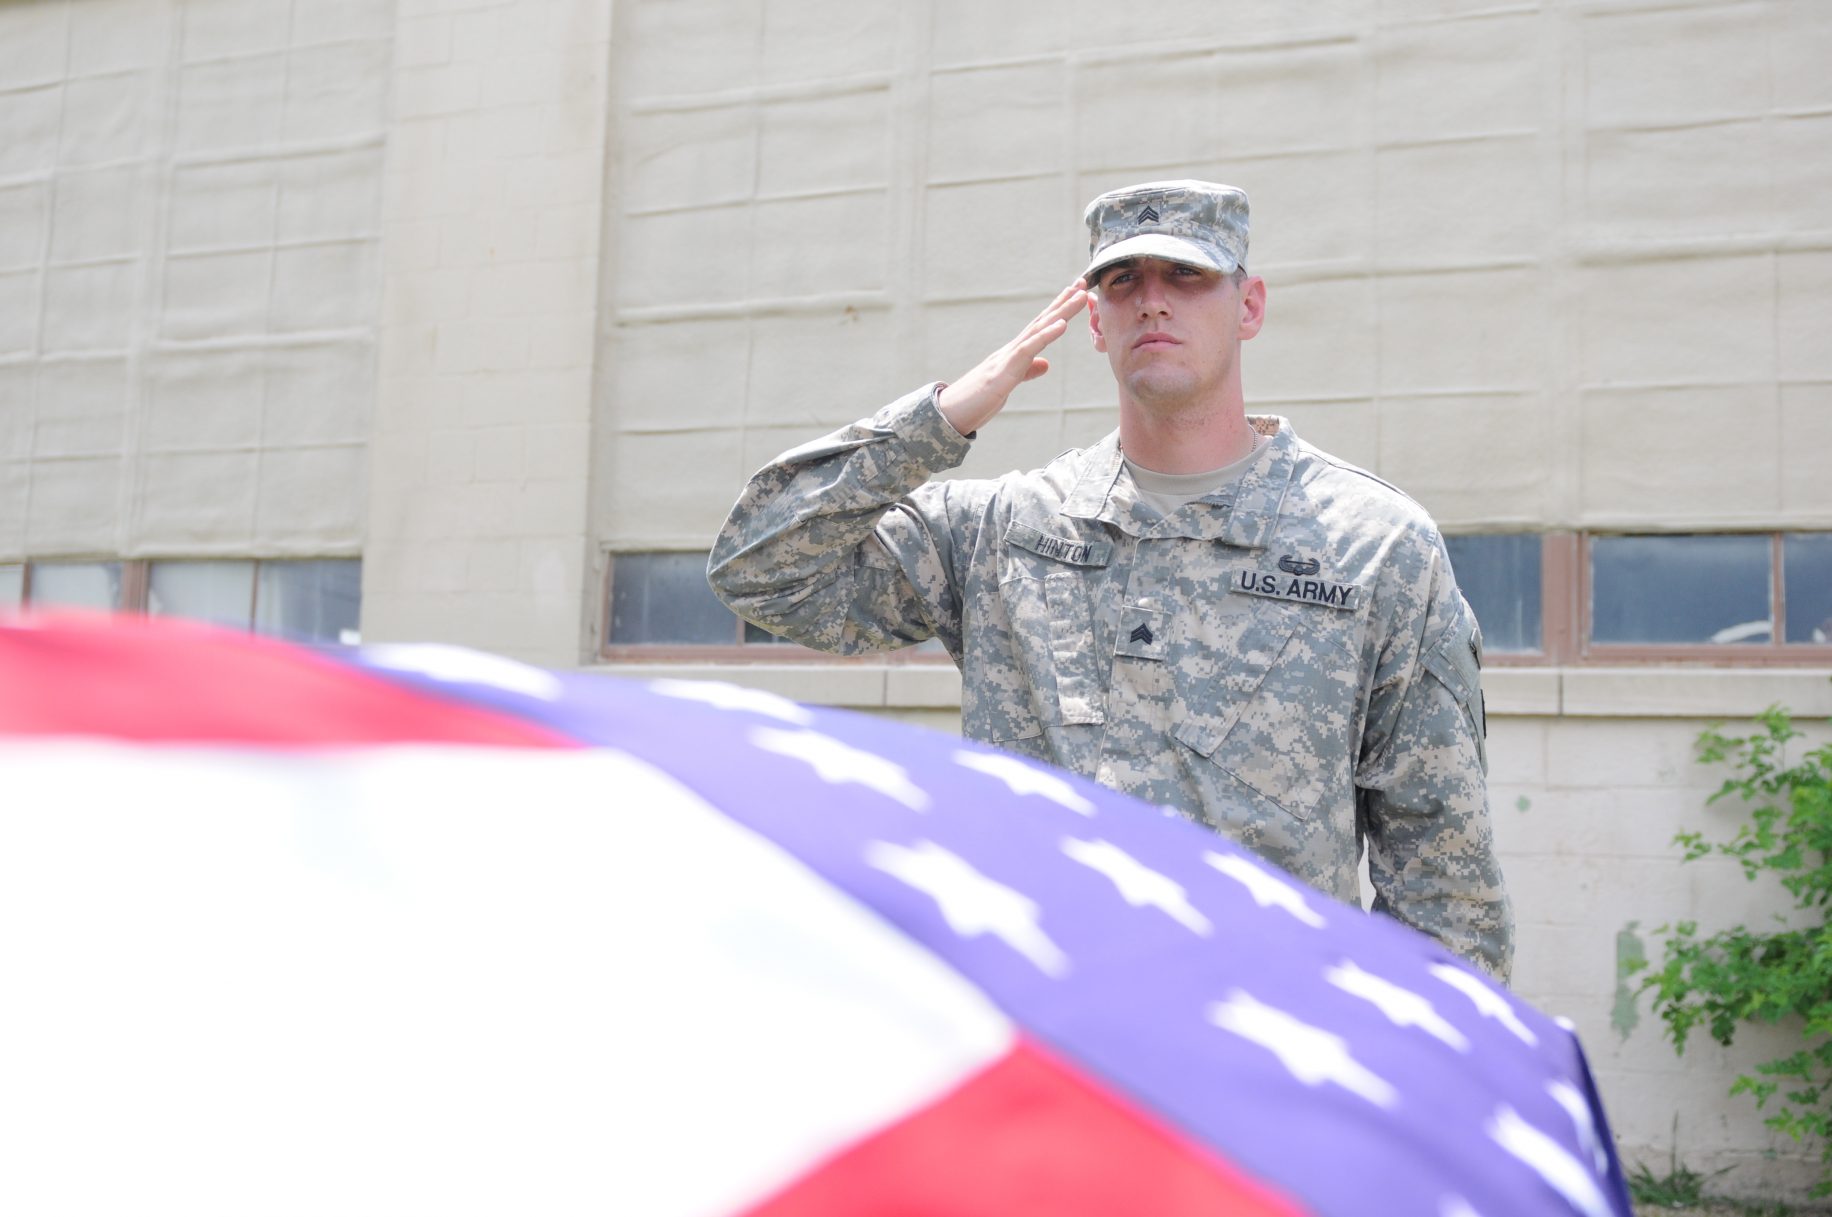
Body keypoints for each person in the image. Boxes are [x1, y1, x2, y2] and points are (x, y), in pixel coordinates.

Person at [708, 181, 1513, 980]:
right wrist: (944, 417)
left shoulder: (1371, 545)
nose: (1153, 303)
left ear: (1250, 306)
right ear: (1095, 319)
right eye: (1124, 280)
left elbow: (1445, 886)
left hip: (1259, 1054)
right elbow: (762, 568)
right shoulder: (1009, 530)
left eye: (1188, 276)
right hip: (1046, 1054)